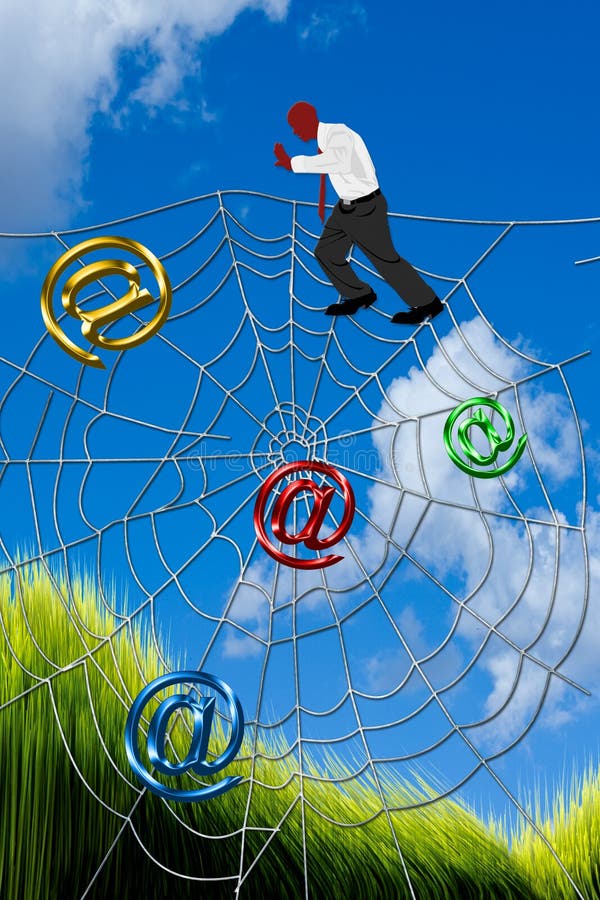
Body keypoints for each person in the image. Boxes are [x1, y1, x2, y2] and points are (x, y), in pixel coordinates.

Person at [274, 102, 443, 325]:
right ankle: (359, 294)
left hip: (365, 207)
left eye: (296, 127)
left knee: (385, 260)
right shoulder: (325, 140)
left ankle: (429, 303)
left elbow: (337, 161)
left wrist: (293, 163)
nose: (295, 133)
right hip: (345, 207)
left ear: (308, 120)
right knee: (326, 252)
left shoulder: (338, 134)